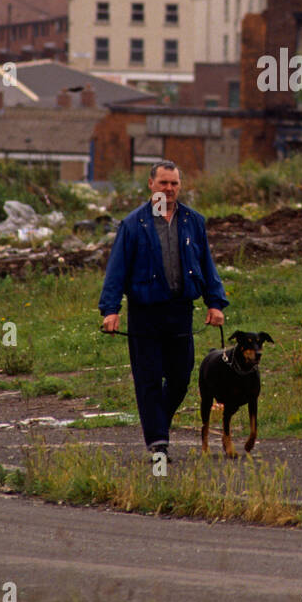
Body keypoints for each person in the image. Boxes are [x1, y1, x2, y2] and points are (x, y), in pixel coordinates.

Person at [99, 161, 227, 457]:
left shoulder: (193, 221)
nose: (169, 189)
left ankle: (158, 423)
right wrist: (111, 310)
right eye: (163, 183)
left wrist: (215, 302)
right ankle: (158, 442)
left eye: (174, 184)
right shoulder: (133, 224)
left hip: (180, 310)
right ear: (151, 185)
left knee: (181, 377)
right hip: (145, 313)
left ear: (179, 186)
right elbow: (116, 270)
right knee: (149, 378)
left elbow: (206, 264)